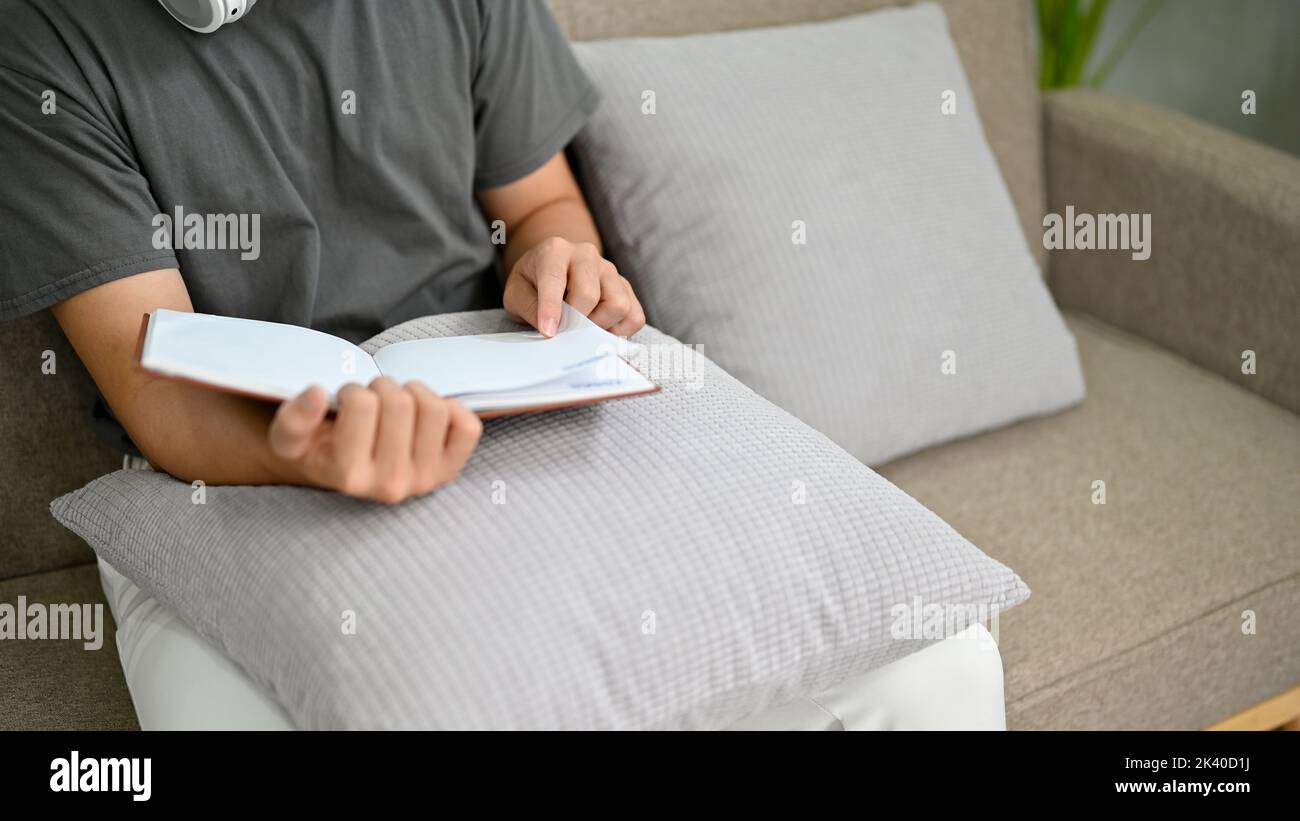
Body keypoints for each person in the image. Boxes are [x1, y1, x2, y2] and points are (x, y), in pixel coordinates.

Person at [0, 0, 644, 504]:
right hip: (229, 472)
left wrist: (561, 269)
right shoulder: (37, 42)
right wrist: (315, 454)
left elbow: (538, 208)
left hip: (501, 409)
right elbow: (165, 398)